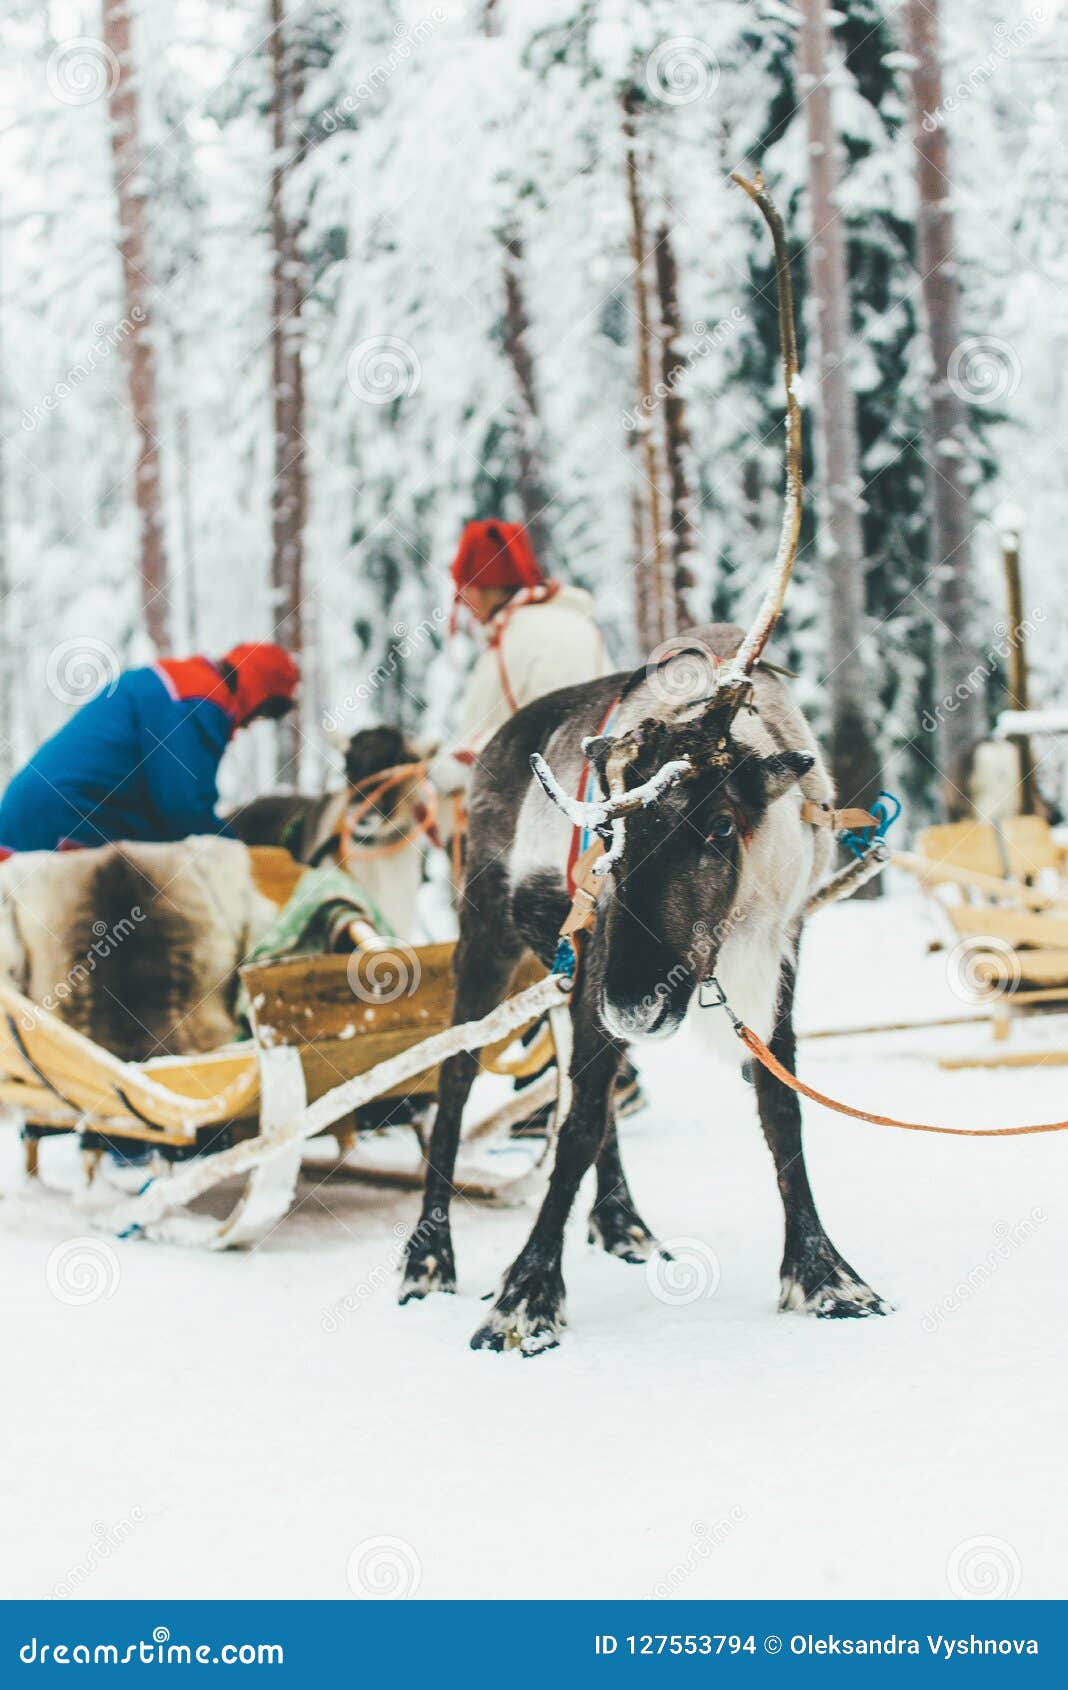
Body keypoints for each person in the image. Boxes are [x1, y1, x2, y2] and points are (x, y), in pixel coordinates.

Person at [0, 642, 299, 852]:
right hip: (62, 822)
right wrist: (243, 857)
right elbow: (183, 811)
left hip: (32, 815)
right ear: (258, 693)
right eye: (263, 714)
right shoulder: (198, 700)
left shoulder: (177, 681)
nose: (249, 725)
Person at [431, 519, 612, 794]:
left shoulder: (528, 635)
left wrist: (462, 761)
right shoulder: (563, 623)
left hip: (548, 811)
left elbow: (556, 727)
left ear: (480, 590)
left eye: (465, 588)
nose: (463, 600)